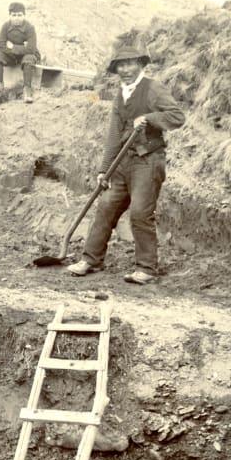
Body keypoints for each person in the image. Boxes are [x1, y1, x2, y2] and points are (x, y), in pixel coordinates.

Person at [67, 34, 185, 285]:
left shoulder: (153, 88)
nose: (125, 70)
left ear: (140, 65)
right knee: (105, 207)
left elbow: (177, 117)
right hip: (122, 163)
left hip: (148, 161)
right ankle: (91, 259)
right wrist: (105, 169)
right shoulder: (120, 95)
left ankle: (146, 268)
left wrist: (150, 119)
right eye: (120, 65)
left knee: (140, 213)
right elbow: (113, 134)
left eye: (130, 64)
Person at [0, 2, 40, 103]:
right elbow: (0, 46)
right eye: (14, 15)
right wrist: (21, 48)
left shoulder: (30, 28)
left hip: (27, 56)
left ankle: (27, 90)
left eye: (19, 15)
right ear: (10, 16)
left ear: (24, 15)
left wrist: (12, 47)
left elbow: (31, 49)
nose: (17, 18)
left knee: (29, 58)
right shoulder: (5, 26)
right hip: (11, 56)